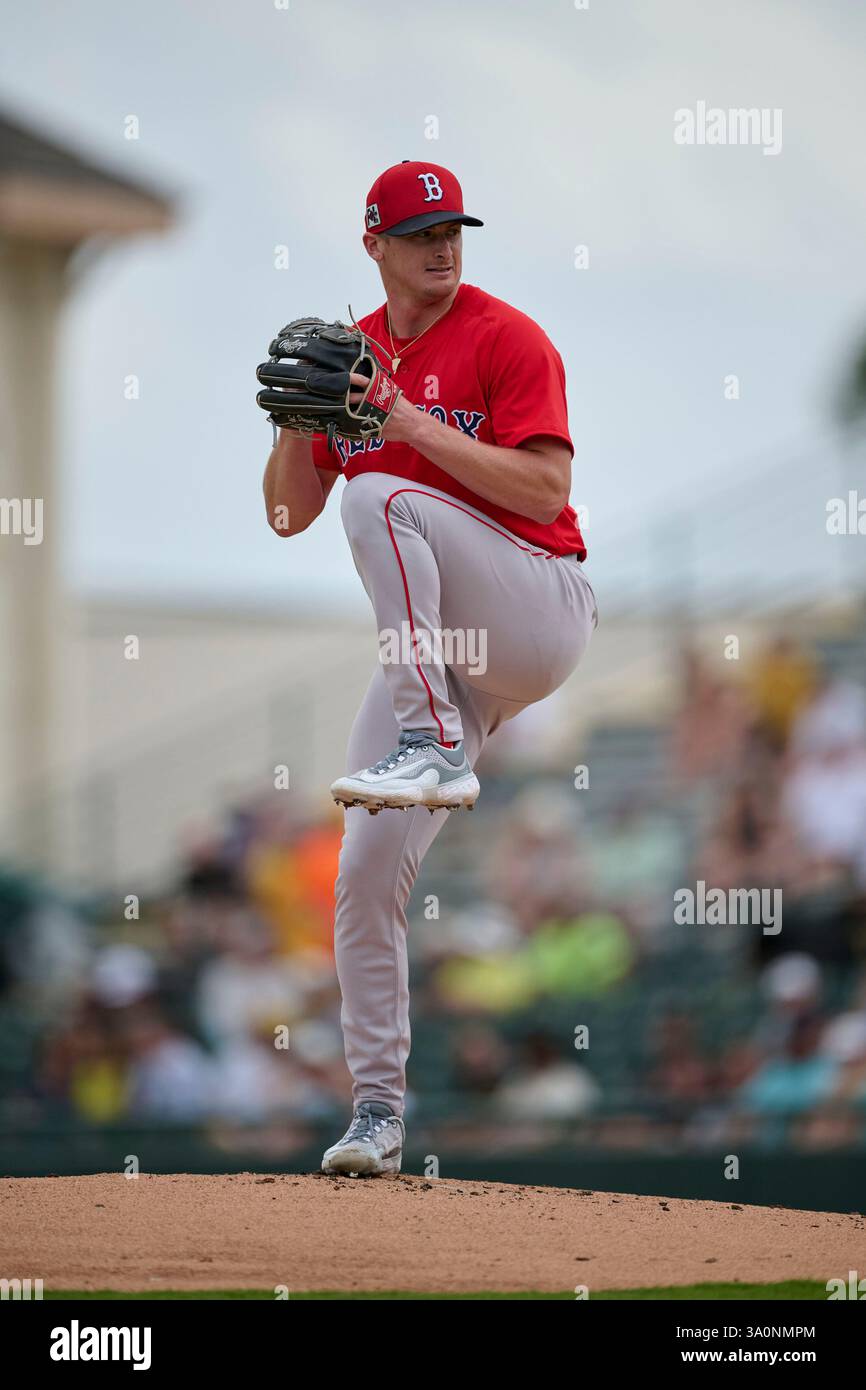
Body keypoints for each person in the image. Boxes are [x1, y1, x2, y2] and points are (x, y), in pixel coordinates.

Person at [262, 161, 597, 1176]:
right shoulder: (349, 358)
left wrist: (402, 425)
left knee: (382, 500)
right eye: (419, 234)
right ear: (374, 245)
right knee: (361, 876)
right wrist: (295, 421)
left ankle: (431, 738)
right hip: (438, 658)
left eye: (452, 228)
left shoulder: (505, 337)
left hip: (535, 608)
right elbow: (285, 515)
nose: (441, 247)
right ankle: (375, 1114)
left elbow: (545, 492)